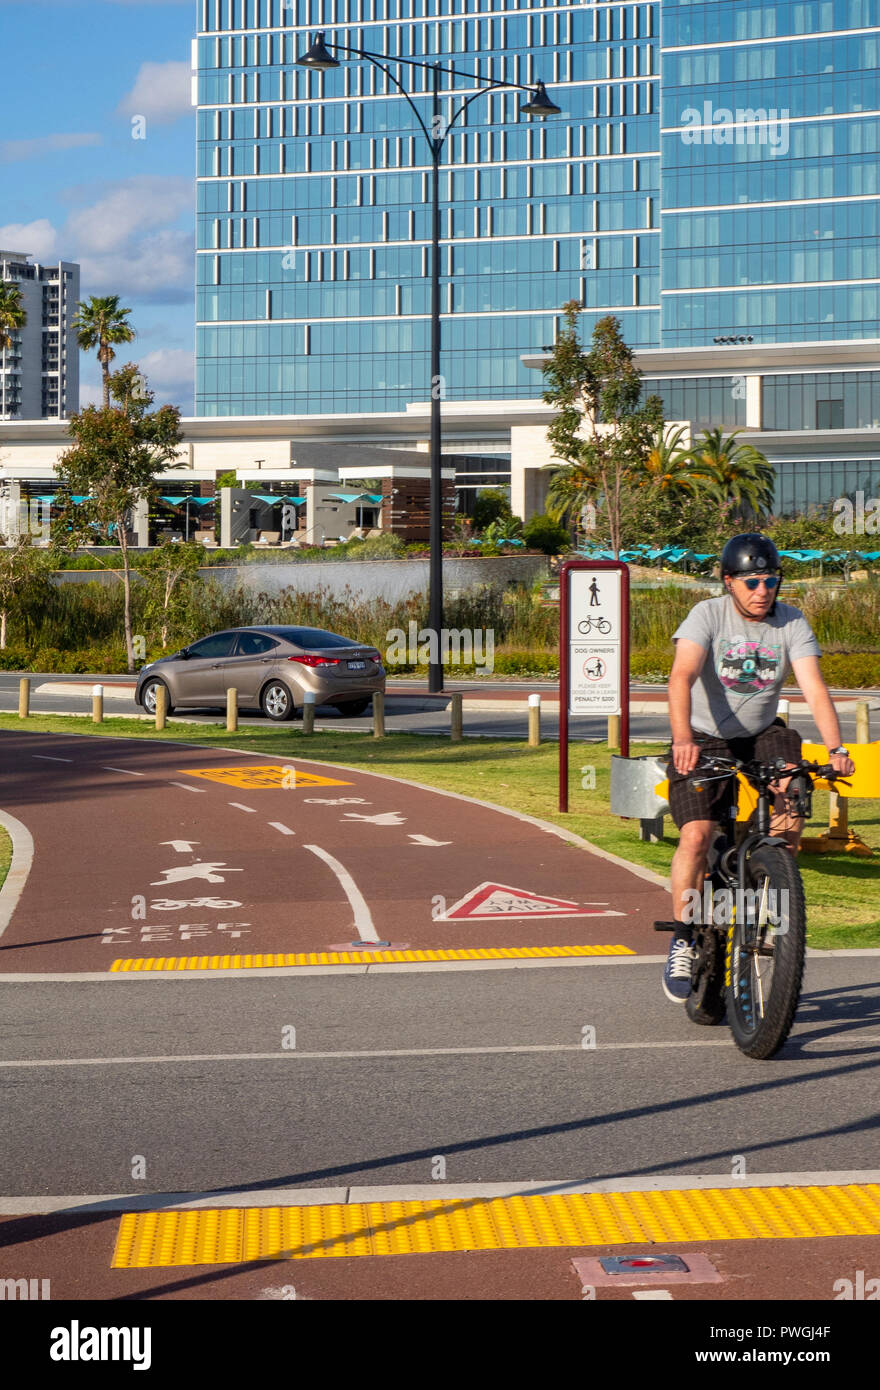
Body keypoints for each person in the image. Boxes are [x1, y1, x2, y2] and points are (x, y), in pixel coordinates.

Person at [660, 532, 855, 1003]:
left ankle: (766, 878)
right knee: (697, 835)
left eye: (770, 581)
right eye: (751, 582)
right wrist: (683, 738)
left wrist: (835, 747)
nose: (762, 590)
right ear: (729, 583)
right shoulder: (706, 615)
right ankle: (684, 936)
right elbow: (681, 677)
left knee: (794, 790)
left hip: (762, 733)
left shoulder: (791, 622)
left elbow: (813, 686)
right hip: (704, 738)